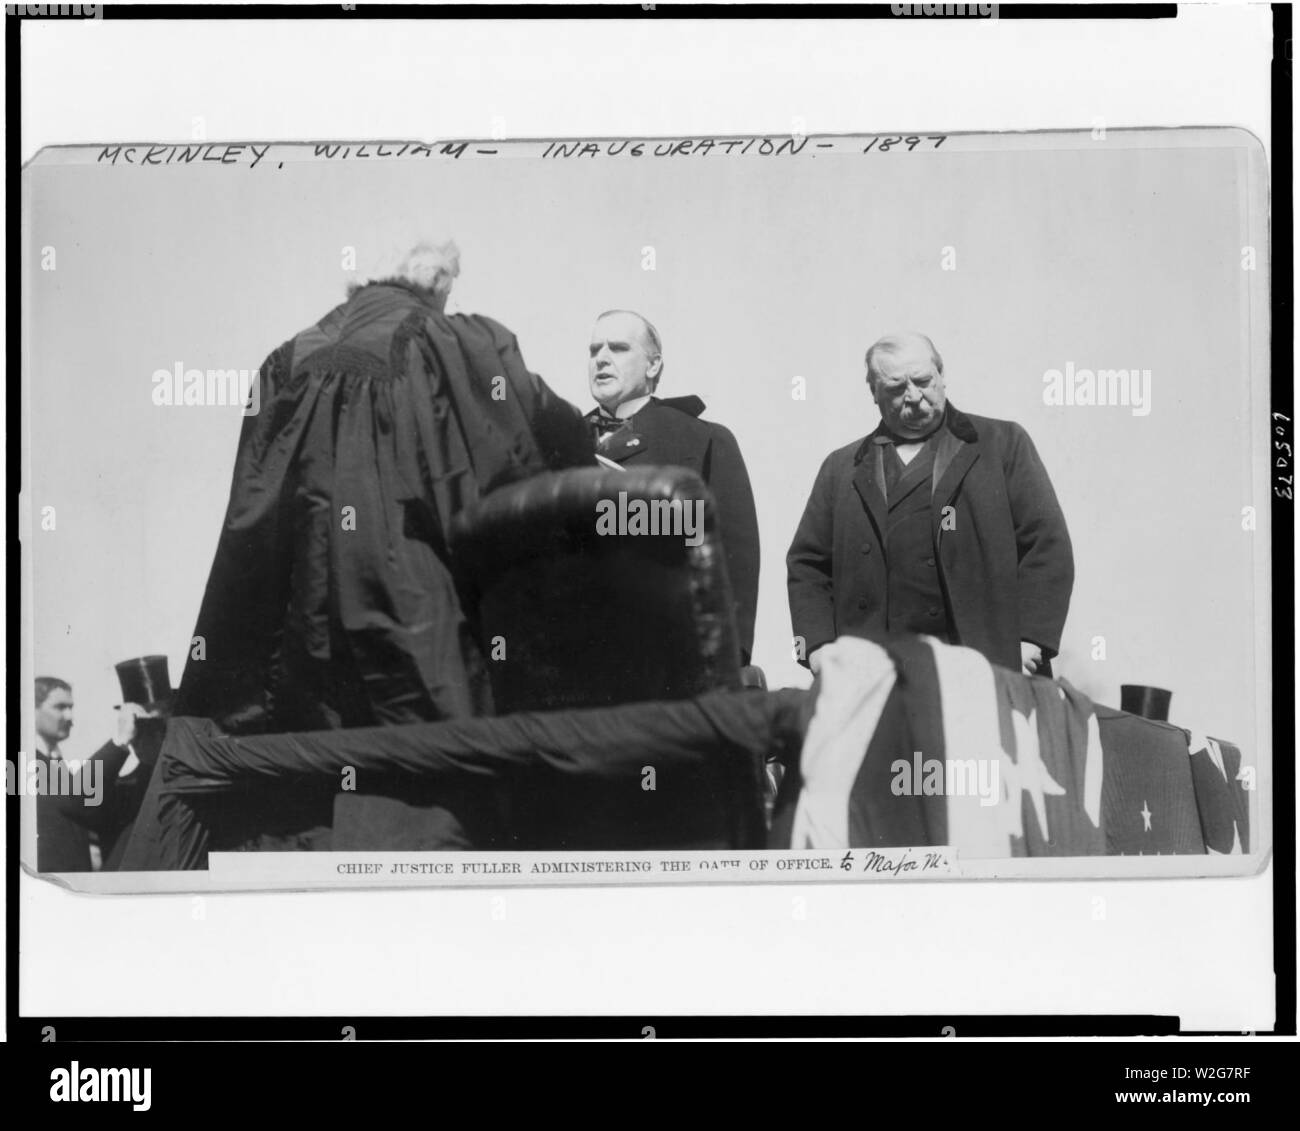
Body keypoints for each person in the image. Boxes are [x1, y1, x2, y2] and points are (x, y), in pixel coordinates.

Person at [173, 238, 594, 851]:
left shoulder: (285, 358)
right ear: (438, 283)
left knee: (309, 804)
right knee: (438, 785)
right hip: (409, 613)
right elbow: (525, 434)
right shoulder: (452, 341)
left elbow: (251, 509)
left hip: (298, 637)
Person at [787, 331, 1074, 677]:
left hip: (985, 670)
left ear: (942, 376)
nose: (914, 398)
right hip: (872, 680)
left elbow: (1047, 546)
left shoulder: (1003, 445)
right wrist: (816, 649)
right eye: (895, 388)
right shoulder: (841, 467)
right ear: (874, 394)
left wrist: (1031, 641)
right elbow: (806, 565)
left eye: (923, 381)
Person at [583, 309, 761, 663]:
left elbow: (735, 556)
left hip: (667, 647)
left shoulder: (701, 439)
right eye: (594, 350)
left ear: (653, 366)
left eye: (617, 348)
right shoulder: (562, 441)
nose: (601, 359)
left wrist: (731, 655)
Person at [32, 676, 148, 872]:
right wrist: (120, 740)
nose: (70, 717)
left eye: (71, 707)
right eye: (60, 707)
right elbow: (77, 798)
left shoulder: (55, 763)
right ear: (31, 709)